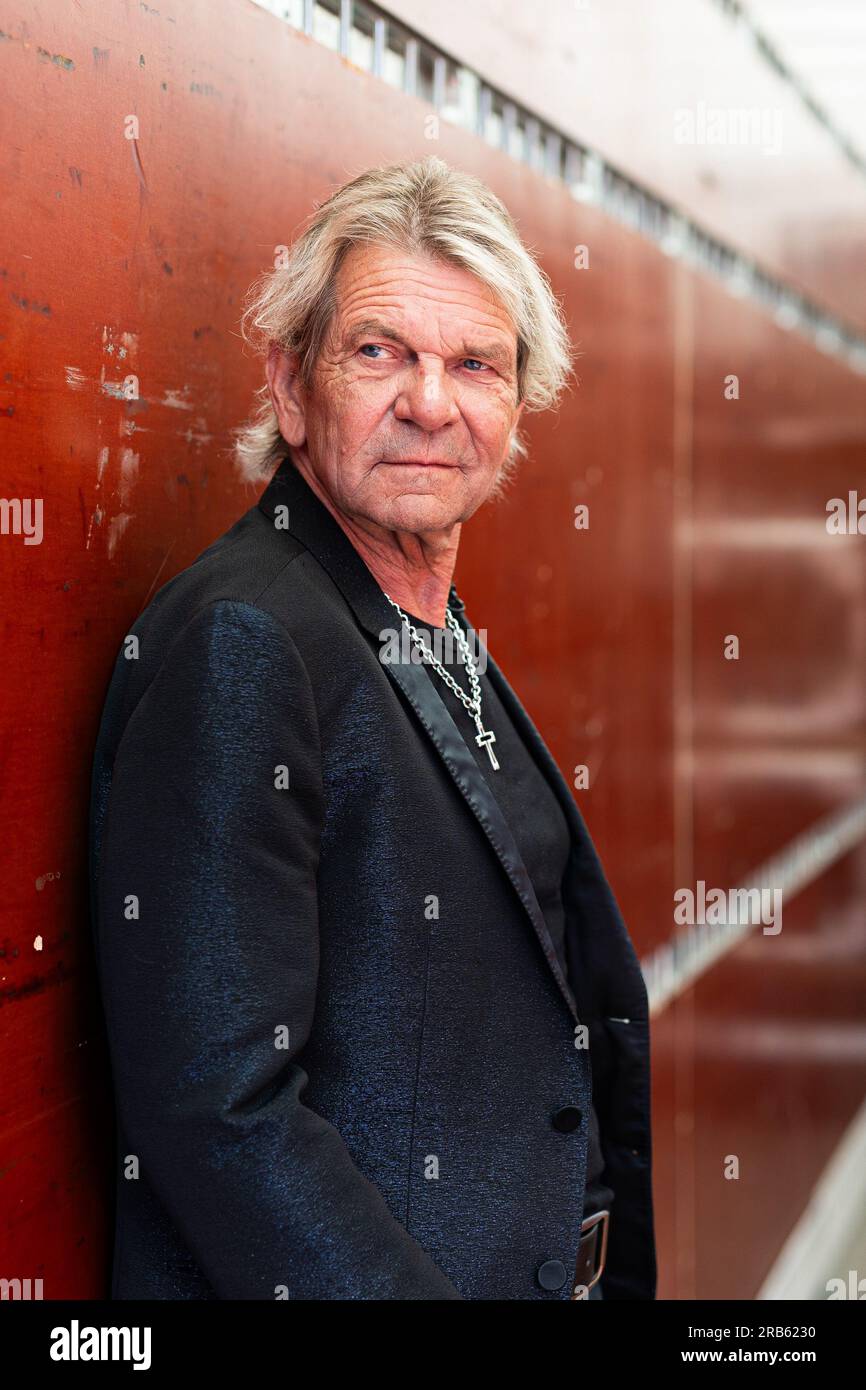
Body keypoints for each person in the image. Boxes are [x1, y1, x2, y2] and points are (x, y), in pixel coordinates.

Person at [88, 155, 656, 1300]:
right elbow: (220, 1107)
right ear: (291, 385)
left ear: (515, 403)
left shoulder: (416, 618)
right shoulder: (245, 640)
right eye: (377, 351)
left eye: (473, 364)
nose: (430, 402)